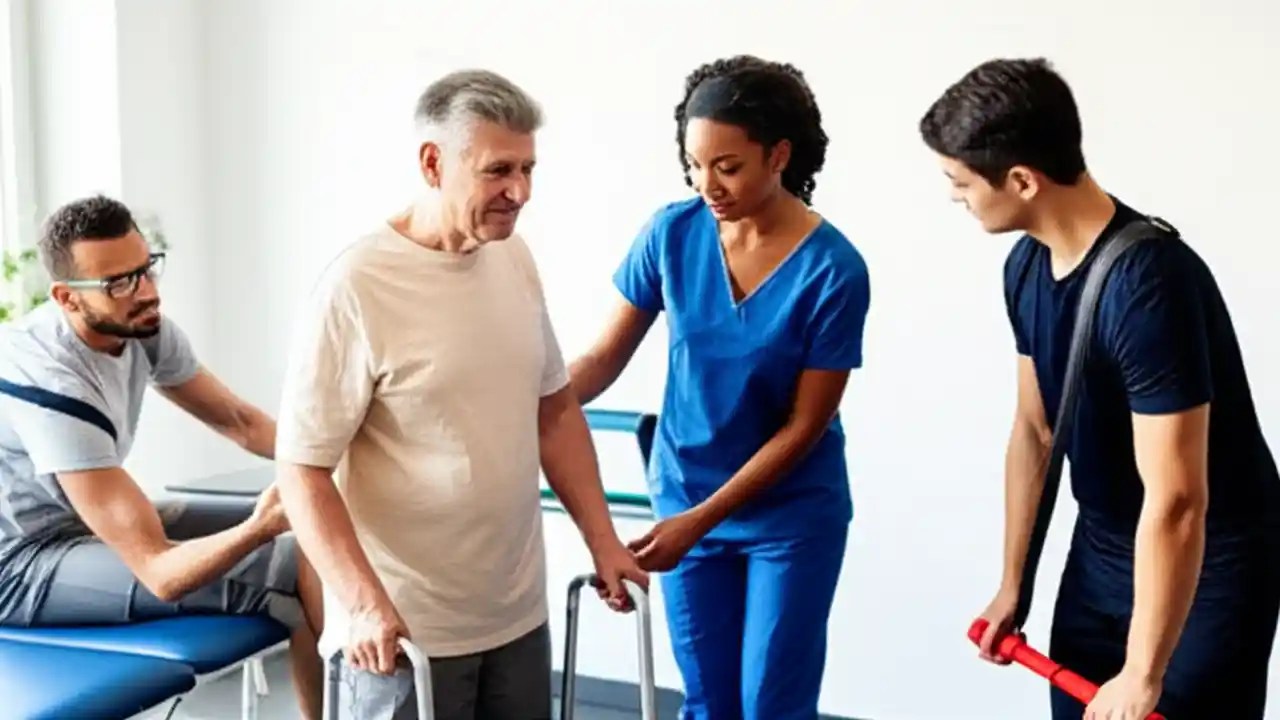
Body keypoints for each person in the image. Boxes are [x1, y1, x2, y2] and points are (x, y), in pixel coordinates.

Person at [273, 68, 647, 720]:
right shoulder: (358, 286)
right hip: (402, 630)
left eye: (529, 169)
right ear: (432, 162)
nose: (520, 191)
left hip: (515, 613)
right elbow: (301, 467)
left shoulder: (513, 258)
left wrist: (603, 540)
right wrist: (360, 602)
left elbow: (553, 409)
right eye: (499, 170)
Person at [919, 57, 1280, 719]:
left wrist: (1143, 673)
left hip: (1208, 557)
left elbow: (1177, 501)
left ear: (1022, 180)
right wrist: (1012, 586)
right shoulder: (1025, 266)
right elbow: (1035, 431)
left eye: (961, 182)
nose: (955, 197)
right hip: (1107, 543)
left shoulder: (1149, 287)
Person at [569, 55, 871, 720]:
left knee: (772, 706)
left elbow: (804, 428)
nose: (708, 184)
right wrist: (518, 403)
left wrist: (698, 522)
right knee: (707, 703)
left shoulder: (834, 271)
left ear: (779, 156)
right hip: (685, 495)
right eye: (694, 165)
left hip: (788, 516)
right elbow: (599, 359)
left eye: (727, 166)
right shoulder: (671, 233)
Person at [0, 195, 326, 718]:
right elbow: (160, 572)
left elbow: (239, 422)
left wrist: (336, 460)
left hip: (82, 527)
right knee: (293, 557)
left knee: (315, 531)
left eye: (146, 268)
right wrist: (261, 526)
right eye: (120, 283)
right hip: (20, 565)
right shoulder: (50, 384)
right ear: (67, 298)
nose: (147, 292)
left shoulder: (141, 326)